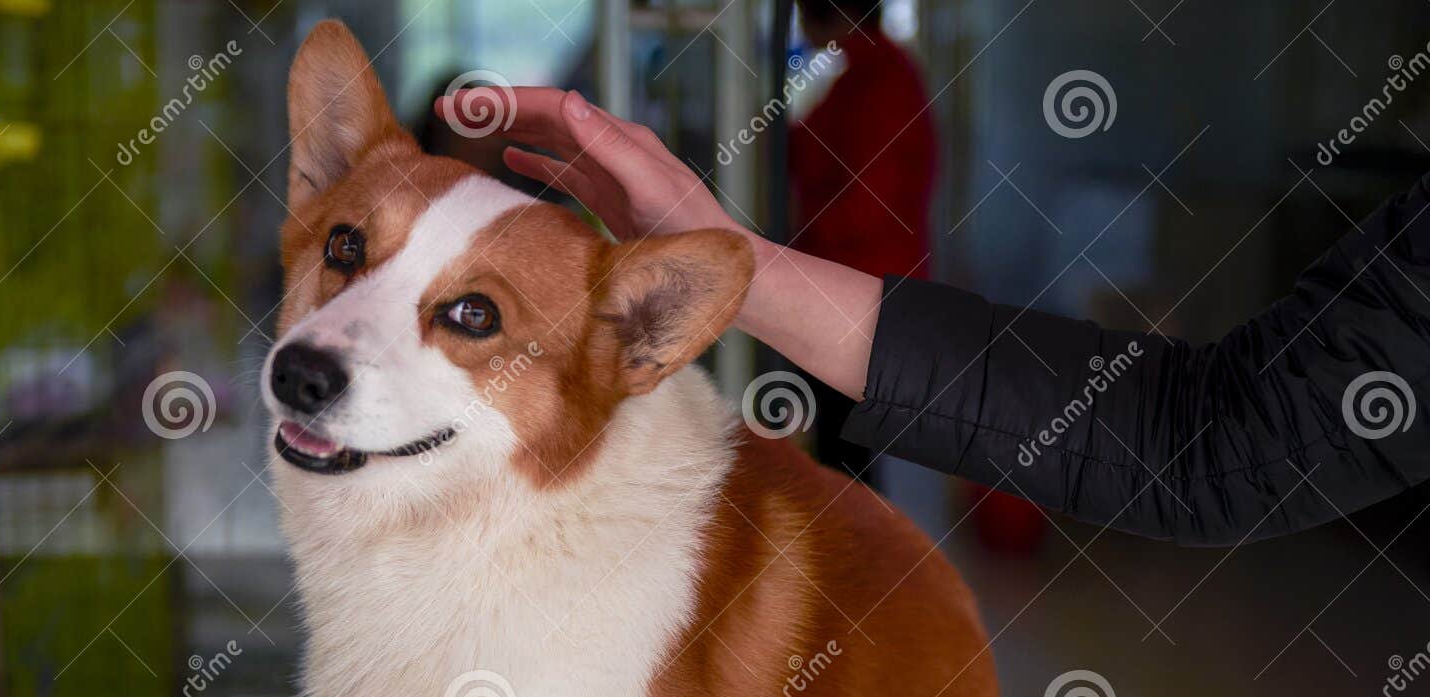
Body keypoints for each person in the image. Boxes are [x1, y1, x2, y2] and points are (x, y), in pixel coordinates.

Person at [439, 87, 1430, 547]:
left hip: (869, 257)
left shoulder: (873, 82)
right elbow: (1220, 438)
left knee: (830, 491)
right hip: (856, 286)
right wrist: (735, 260)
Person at [787, 0, 936, 477]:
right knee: (841, 448)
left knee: (844, 455)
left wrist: (783, 248)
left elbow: (870, 205)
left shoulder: (881, 82)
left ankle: (855, 551)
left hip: (861, 291)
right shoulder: (866, 75)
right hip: (852, 284)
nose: (802, 25)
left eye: (806, 13)